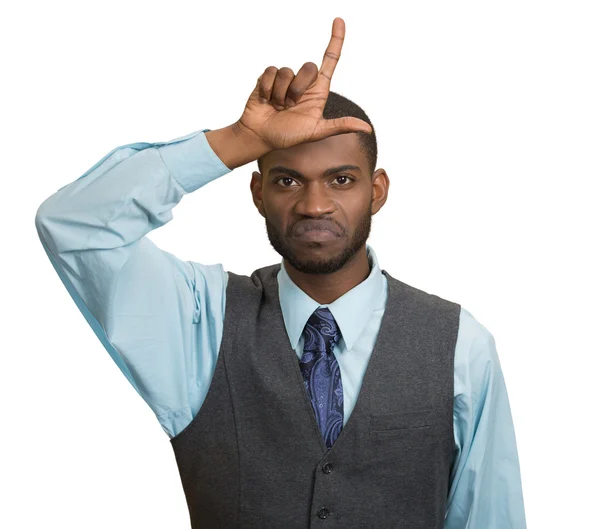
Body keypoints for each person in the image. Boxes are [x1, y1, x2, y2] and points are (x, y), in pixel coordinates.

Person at [34, 16, 526, 529]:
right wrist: (236, 140)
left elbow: (490, 518)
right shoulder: (199, 323)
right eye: (288, 180)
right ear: (257, 193)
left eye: (340, 179)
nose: (315, 205)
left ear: (376, 190)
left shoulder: (459, 343)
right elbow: (75, 226)